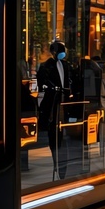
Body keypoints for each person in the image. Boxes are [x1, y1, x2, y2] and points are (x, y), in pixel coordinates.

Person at [37, 40, 72, 179]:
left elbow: (69, 81)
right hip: (53, 105)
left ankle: (63, 168)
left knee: (63, 136)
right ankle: (57, 165)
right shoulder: (46, 67)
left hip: (64, 104)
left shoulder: (66, 65)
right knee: (54, 136)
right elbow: (42, 84)